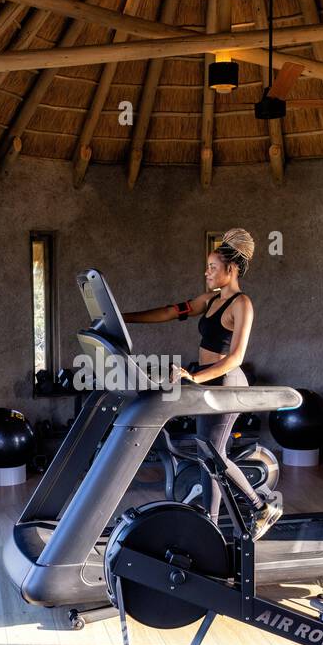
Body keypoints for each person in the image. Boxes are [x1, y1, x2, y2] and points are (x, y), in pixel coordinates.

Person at [123, 228, 282, 539]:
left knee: (214, 453)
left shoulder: (241, 303)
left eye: (212, 267)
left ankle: (259, 506)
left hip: (225, 382)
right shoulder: (209, 300)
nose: (206, 272)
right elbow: (172, 311)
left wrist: (193, 377)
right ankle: (210, 524)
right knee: (207, 454)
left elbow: (235, 357)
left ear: (231, 269)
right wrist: (122, 317)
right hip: (207, 382)